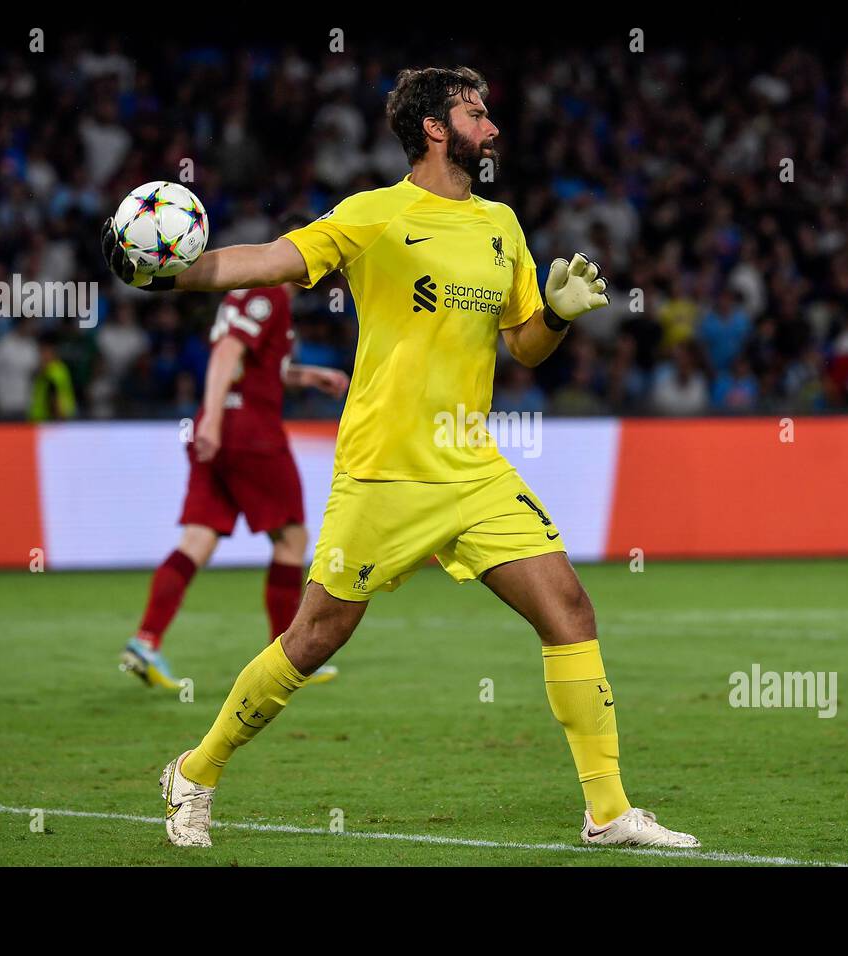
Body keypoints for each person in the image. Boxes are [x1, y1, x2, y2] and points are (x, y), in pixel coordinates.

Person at [103, 66, 698, 850]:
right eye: (475, 112)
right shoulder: (374, 217)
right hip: (384, 468)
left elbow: (524, 348)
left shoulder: (503, 226)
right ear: (435, 128)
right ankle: (197, 770)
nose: (491, 123)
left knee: (571, 612)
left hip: (472, 466)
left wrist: (553, 313)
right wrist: (174, 271)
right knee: (314, 639)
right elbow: (267, 260)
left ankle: (608, 811)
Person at [121, 215, 350, 690]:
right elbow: (227, 352)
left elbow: (255, 362)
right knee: (291, 540)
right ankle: (287, 656)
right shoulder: (268, 293)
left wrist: (307, 377)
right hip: (249, 433)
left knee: (197, 541)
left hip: (223, 431)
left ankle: (146, 640)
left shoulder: (248, 293)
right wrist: (212, 418)